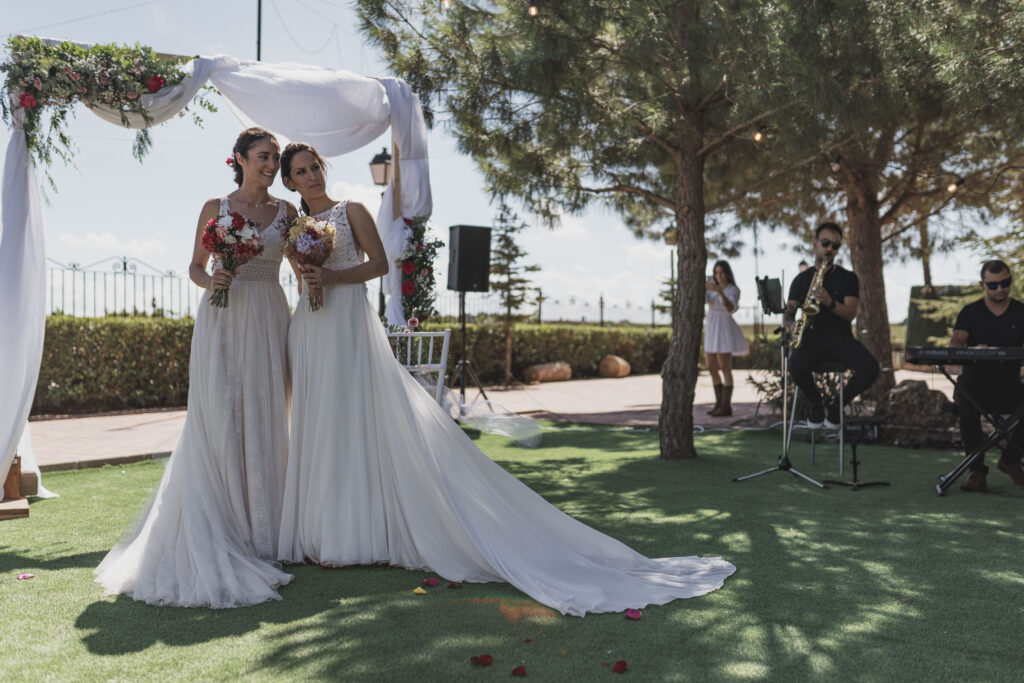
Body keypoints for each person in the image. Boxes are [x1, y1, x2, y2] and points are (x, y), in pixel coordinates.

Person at [276, 143, 735, 616]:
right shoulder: (294, 225)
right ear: (289, 181)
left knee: (354, 416)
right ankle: (322, 530)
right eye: (301, 172)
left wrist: (332, 278)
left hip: (349, 325)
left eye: (315, 167)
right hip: (310, 327)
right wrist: (309, 273)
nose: (312, 176)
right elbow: (300, 274)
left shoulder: (352, 210)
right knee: (319, 419)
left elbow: (379, 265)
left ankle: (359, 532)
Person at [95, 128, 297, 607]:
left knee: (268, 410)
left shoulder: (287, 213)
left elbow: (297, 259)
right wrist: (212, 280)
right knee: (221, 412)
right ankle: (226, 525)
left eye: (275, 158)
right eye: (264, 156)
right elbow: (193, 266)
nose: (272, 165)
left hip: (270, 313)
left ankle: (269, 532)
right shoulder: (215, 208)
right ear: (240, 159)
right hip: (223, 316)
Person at [783, 222, 879, 429]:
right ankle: (816, 404)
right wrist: (791, 325)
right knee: (794, 363)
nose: (829, 249)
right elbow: (788, 314)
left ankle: (837, 406)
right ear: (815, 243)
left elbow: (850, 313)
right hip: (810, 340)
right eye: (825, 243)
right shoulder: (801, 280)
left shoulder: (848, 278)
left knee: (870, 367)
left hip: (840, 340)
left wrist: (828, 301)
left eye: (835, 246)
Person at [950, 260, 1024, 492]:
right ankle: (976, 471)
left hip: (1009, 385)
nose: (1000, 289)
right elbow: (955, 345)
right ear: (982, 285)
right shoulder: (970, 312)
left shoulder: (1021, 311)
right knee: (965, 402)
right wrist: (974, 350)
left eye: (1005, 283)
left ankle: (1010, 460)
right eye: (993, 285)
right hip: (975, 385)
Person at [704, 260, 749, 417]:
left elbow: (730, 308)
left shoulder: (733, 289)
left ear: (727, 273)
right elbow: (704, 300)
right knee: (711, 367)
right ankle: (718, 402)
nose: (719, 276)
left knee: (725, 367)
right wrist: (704, 288)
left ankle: (725, 405)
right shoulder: (711, 289)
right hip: (711, 325)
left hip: (723, 327)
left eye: (722, 272)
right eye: (716, 273)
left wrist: (720, 292)